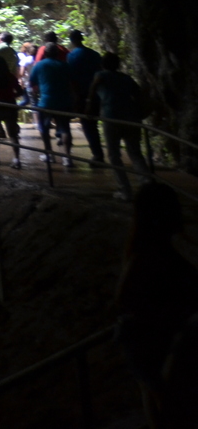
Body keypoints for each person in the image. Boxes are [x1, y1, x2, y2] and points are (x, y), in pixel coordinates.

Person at [117, 183, 198, 428]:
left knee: (157, 395)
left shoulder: (144, 251)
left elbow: (122, 299)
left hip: (148, 334)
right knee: (163, 396)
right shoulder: (160, 252)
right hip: (156, 335)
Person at [91, 53, 151, 199]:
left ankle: (125, 190)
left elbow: (94, 88)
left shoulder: (101, 75)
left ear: (103, 64)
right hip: (131, 118)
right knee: (135, 153)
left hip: (111, 118)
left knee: (114, 155)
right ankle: (148, 186)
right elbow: (139, 94)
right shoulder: (126, 78)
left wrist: (88, 104)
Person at [31, 42, 75, 166]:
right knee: (65, 129)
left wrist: (37, 93)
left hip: (46, 102)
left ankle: (49, 154)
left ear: (44, 53)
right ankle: (67, 157)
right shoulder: (65, 65)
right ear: (57, 53)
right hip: (63, 101)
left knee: (44, 129)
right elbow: (72, 83)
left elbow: (32, 83)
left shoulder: (39, 66)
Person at [65, 29, 105, 164]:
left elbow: (72, 78)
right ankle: (102, 153)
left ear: (72, 41)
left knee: (88, 124)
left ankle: (97, 155)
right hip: (98, 93)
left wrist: (74, 97)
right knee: (95, 123)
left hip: (82, 93)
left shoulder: (72, 56)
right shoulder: (94, 54)